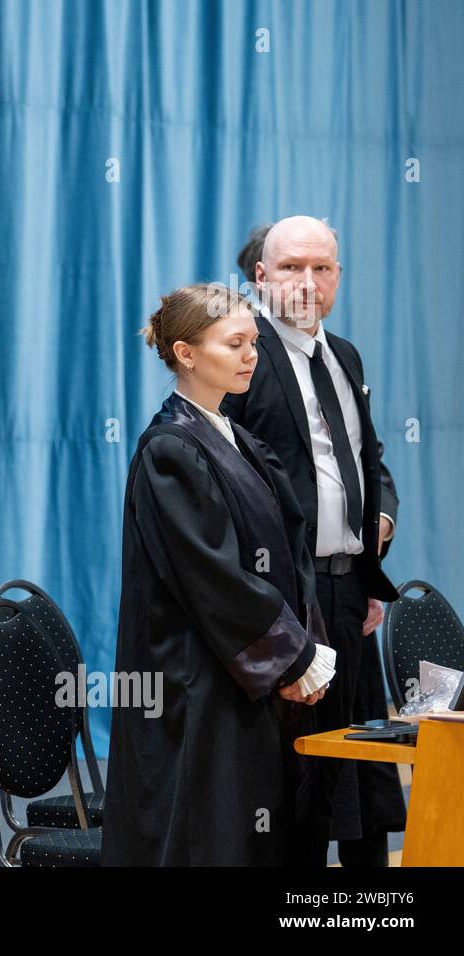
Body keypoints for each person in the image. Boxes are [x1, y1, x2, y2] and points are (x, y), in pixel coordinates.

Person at [102, 283, 331, 866]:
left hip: (239, 674)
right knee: (210, 840)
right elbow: (213, 577)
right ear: (186, 353)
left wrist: (306, 649)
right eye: (235, 344)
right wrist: (292, 659)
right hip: (194, 681)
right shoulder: (171, 450)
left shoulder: (238, 438)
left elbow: (290, 550)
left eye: (253, 342)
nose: (251, 354)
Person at [221, 215, 406, 867]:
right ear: (262, 277)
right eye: (292, 268)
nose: (308, 282)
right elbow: (221, 486)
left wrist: (377, 521)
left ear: (337, 277)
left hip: (350, 592)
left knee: (364, 771)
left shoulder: (345, 354)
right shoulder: (239, 356)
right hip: (285, 599)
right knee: (295, 778)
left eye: (322, 268)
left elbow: (369, 460)